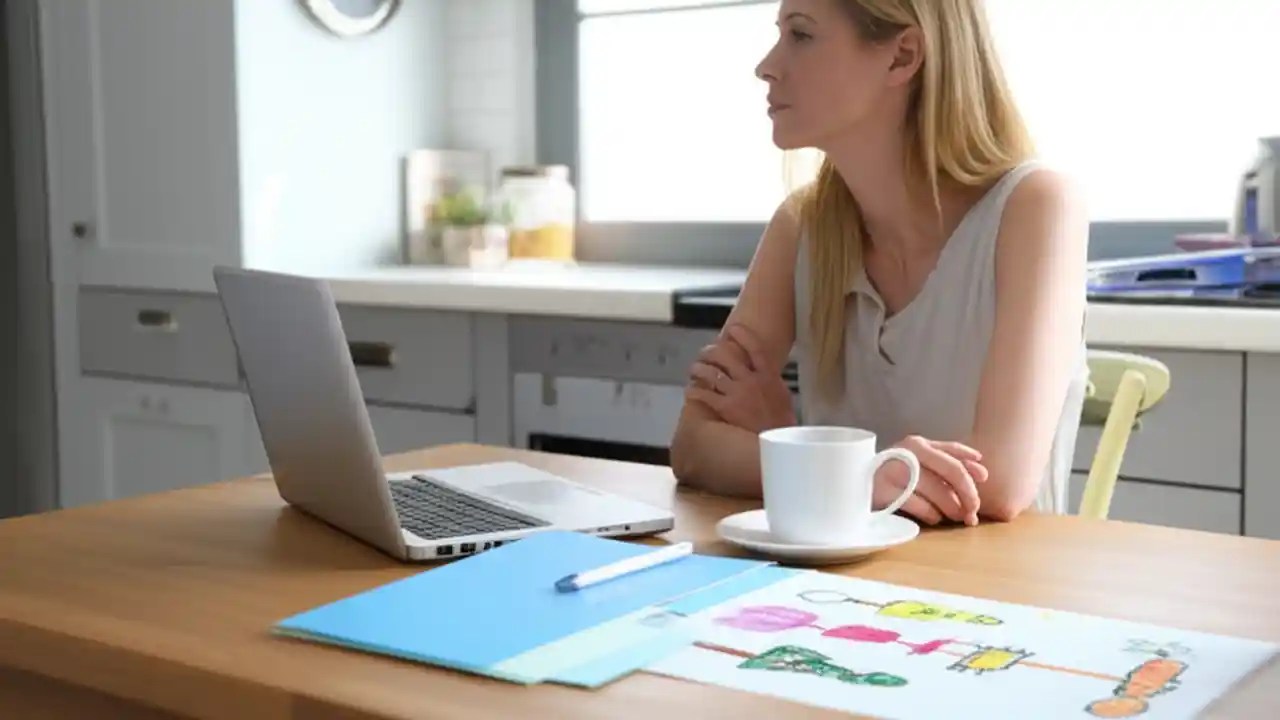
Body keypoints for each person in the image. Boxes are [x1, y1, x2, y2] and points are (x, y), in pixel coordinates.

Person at [668, 0, 1090, 526]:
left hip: (998, 596)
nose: (767, 66)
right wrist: (851, 472)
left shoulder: (1038, 207)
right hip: (837, 593)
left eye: (800, 35)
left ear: (902, 56)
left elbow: (997, 484)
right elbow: (692, 446)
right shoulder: (801, 226)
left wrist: (797, 454)